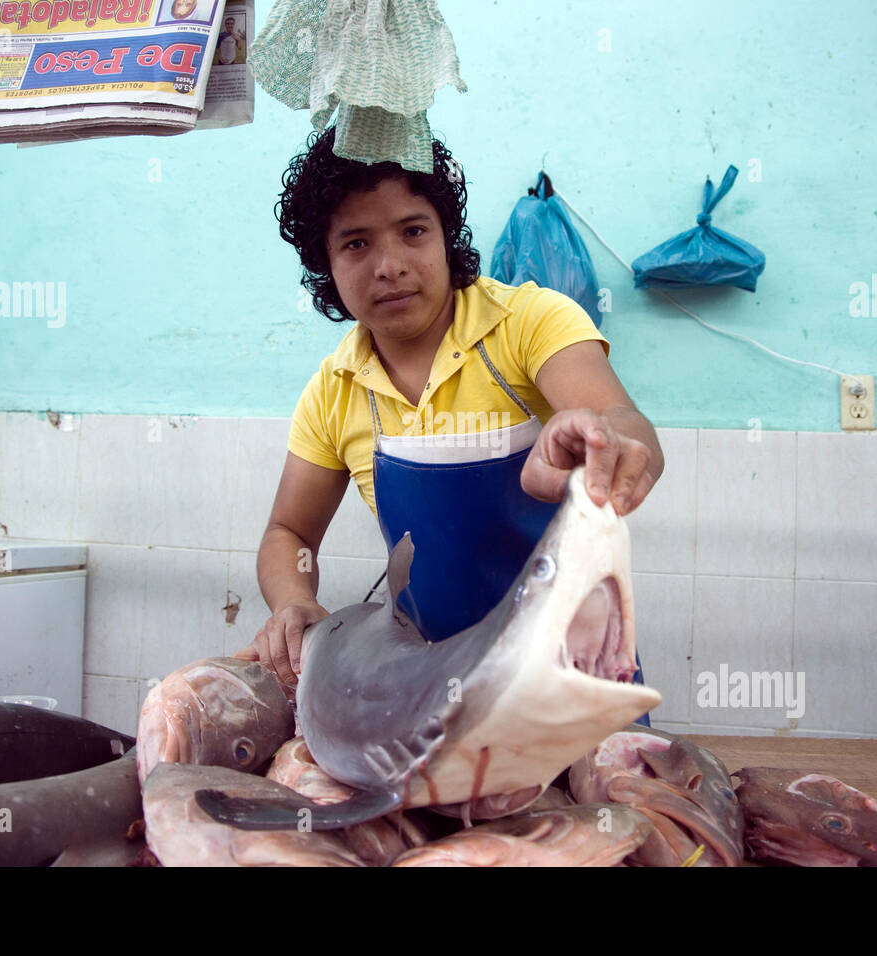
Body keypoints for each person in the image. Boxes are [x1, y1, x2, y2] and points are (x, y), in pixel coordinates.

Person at [237, 127, 663, 723]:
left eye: (413, 232)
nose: (390, 267)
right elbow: (288, 532)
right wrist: (293, 601)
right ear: (325, 265)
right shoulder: (333, 391)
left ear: (444, 236)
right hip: (430, 693)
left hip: (573, 679)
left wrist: (612, 444)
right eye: (356, 245)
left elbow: (622, 420)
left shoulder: (528, 323)